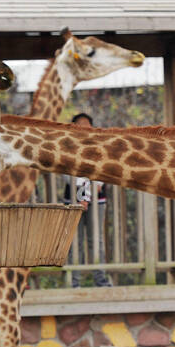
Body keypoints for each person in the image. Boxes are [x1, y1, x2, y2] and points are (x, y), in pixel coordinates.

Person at [62, 113, 111, 288]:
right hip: (73, 201)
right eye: (79, 125)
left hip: (98, 201)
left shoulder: (99, 147)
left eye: (87, 124)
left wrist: (87, 195)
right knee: (74, 241)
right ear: (73, 127)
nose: (84, 128)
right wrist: (83, 196)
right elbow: (70, 176)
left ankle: (101, 279)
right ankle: (74, 282)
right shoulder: (67, 147)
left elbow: (100, 174)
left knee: (96, 240)